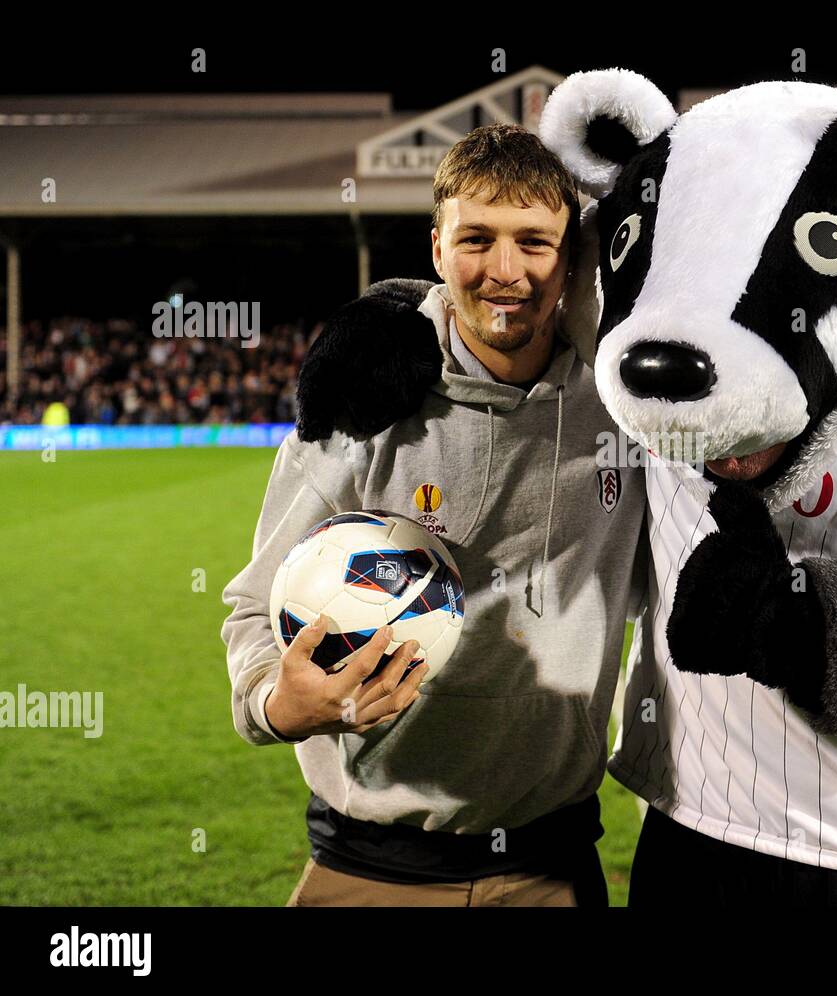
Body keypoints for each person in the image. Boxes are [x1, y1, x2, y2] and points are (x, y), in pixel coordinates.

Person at [220, 123, 646, 907]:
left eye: (535, 242)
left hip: (551, 865)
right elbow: (254, 602)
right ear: (437, 249)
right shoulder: (363, 399)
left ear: (573, 256)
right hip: (369, 867)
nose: (505, 271)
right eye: (476, 239)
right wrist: (278, 706)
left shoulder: (626, 414)